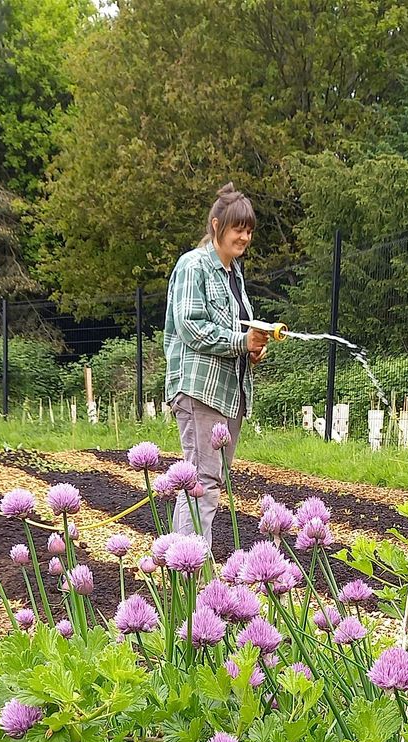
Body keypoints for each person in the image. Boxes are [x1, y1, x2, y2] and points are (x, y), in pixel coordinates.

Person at [163, 183, 269, 544]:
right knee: (200, 481)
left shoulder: (234, 273)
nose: (245, 237)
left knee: (211, 481)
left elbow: (238, 329)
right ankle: (190, 565)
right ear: (216, 225)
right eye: (238, 229)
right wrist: (241, 342)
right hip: (200, 390)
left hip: (230, 393)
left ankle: (190, 561)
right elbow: (191, 327)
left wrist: (252, 348)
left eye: (249, 230)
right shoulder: (193, 265)